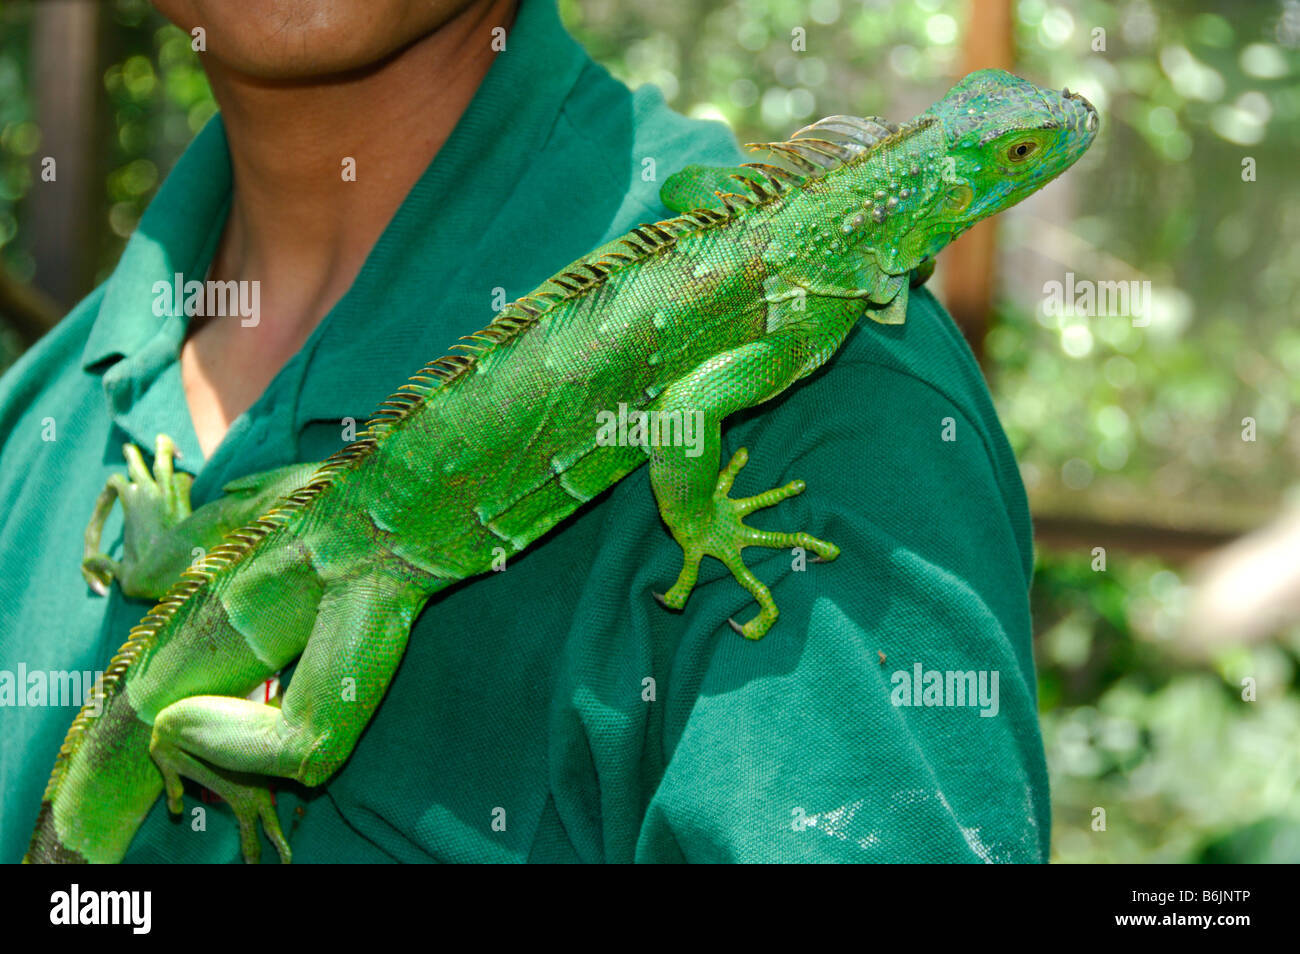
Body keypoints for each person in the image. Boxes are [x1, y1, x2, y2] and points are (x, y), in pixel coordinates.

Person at [0, 0, 1048, 862]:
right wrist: (710, 526)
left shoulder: (859, 403)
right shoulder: (33, 416)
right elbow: (686, 371)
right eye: (1017, 151)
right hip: (360, 547)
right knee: (307, 741)